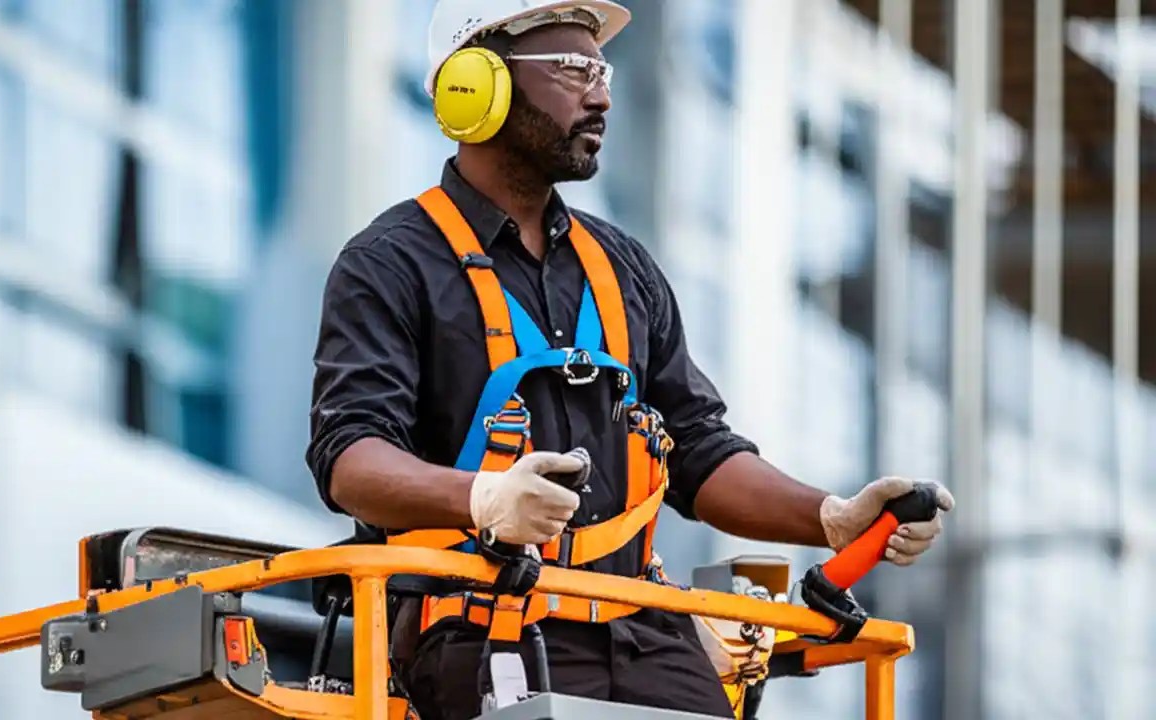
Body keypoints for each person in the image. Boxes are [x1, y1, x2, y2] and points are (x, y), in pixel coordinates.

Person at [306, 2, 955, 718]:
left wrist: (830, 517)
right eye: (573, 69)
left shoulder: (622, 269)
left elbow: (699, 450)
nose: (602, 94)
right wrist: (482, 500)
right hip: (480, 628)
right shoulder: (391, 264)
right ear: (474, 84)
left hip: (641, 628)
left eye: (603, 70)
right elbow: (349, 459)